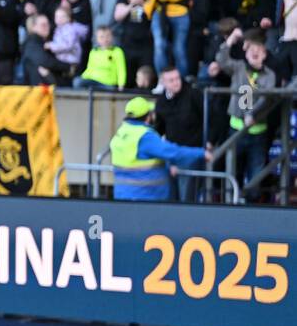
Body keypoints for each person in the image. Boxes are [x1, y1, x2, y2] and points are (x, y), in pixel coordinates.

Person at [211, 27, 278, 196]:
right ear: (246, 53)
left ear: (264, 54)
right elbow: (221, 59)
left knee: (256, 173)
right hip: (236, 130)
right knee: (233, 171)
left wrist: (252, 114)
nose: (255, 53)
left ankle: (251, 206)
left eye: (259, 50)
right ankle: (232, 202)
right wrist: (230, 40)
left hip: (258, 132)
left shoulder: (270, 75)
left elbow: (266, 98)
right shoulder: (239, 67)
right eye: (251, 50)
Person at [109, 97, 211, 201]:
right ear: (148, 117)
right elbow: (174, 152)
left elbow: (141, 159)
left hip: (122, 196)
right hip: (146, 198)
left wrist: (167, 166)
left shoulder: (122, 132)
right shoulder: (145, 137)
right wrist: (201, 153)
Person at [155, 68, 205, 202]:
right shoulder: (161, 102)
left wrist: (210, 141)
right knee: (170, 197)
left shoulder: (193, 94)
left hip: (191, 153)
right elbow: (159, 128)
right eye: (171, 80)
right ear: (163, 82)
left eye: (177, 78)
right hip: (171, 154)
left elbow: (210, 118)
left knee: (187, 198)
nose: (176, 82)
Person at [75, 26, 127, 90]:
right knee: (77, 82)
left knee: (110, 89)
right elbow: (89, 69)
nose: (105, 39)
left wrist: (121, 86)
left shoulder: (117, 51)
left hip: (107, 83)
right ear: (97, 39)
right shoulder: (93, 51)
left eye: (108, 36)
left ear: (112, 37)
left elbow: (121, 70)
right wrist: (82, 78)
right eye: (102, 37)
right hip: (92, 80)